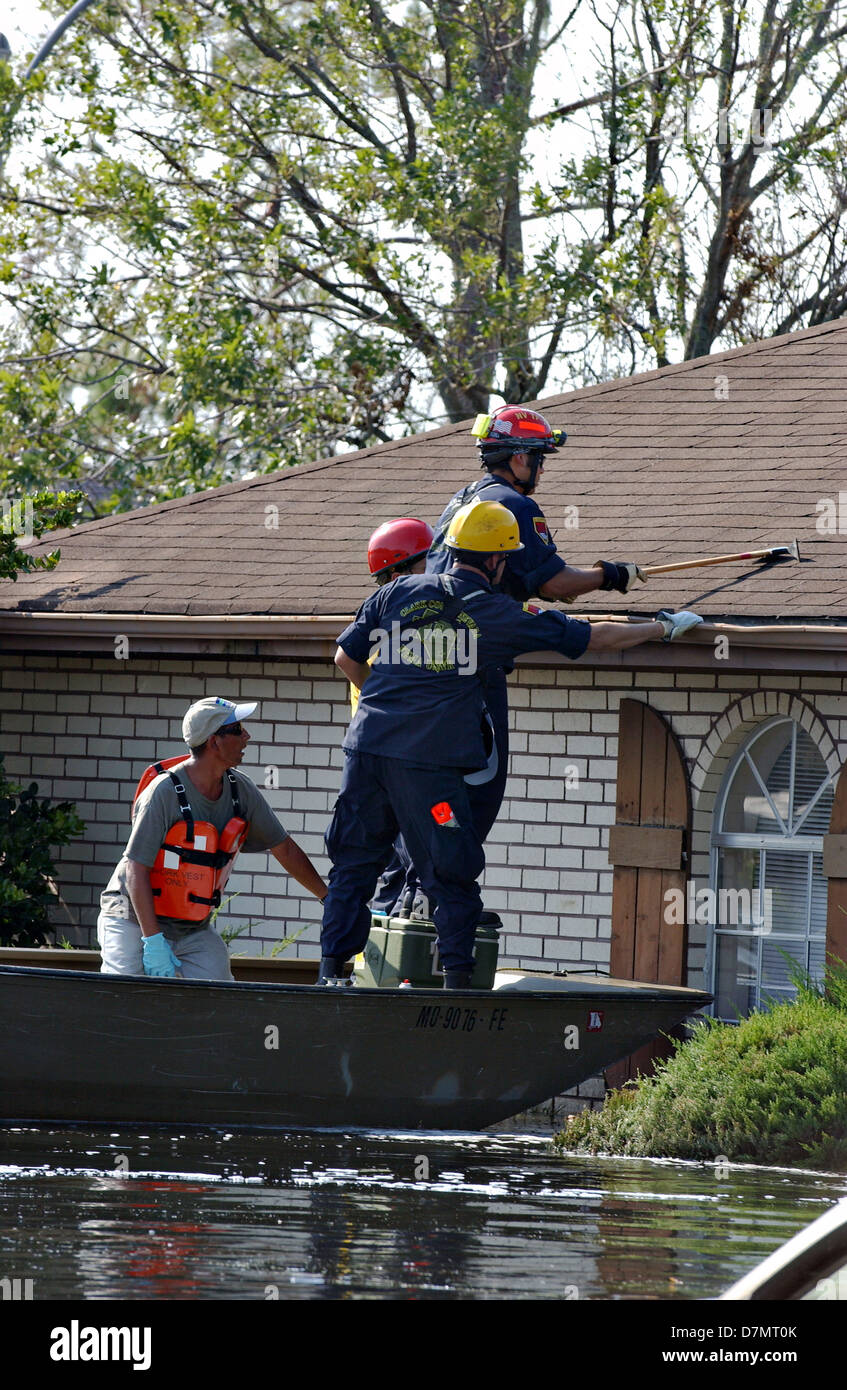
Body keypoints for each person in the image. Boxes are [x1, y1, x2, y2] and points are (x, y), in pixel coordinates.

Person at [319, 498, 702, 989]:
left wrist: (385, 695)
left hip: (366, 753)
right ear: (499, 561)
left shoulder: (398, 592)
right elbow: (592, 638)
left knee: (354, 863)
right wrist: (662, 628)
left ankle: (331, 976)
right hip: (429, 771)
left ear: (452, 548)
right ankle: (458, 983)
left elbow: (344, 659)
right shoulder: (499, 615)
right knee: (450, 869)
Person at [97, 697, 327, 981]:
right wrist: (153, 942)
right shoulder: (164, 792)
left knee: (218, 995)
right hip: (131, 918)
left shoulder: (240, 789)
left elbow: (285, 849)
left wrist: (328, 898)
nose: (247, 736)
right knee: (123, 996)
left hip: (191, 926)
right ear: (213, 741)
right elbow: (135, 869)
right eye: (237, 729)